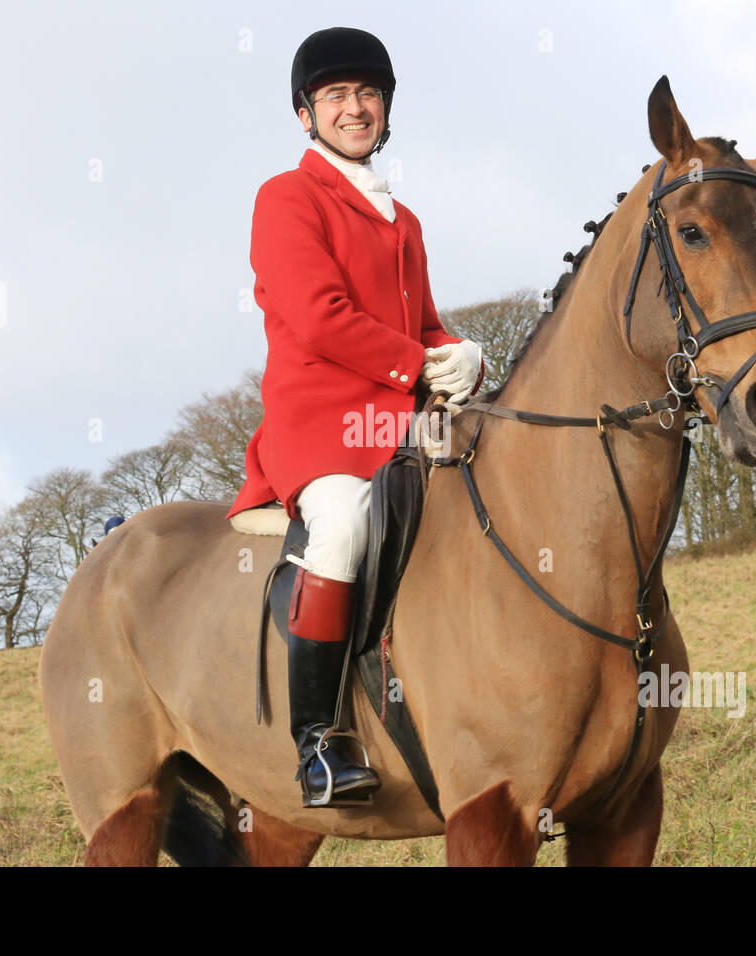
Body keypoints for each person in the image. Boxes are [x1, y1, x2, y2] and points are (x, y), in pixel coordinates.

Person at [224, 27, 485, 807]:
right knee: (342, 522)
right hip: (323, 421)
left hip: (402, 417)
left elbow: (426, 322)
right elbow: (318, 316)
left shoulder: (402, 221)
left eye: (367, 93)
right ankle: (320, 744)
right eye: (335, 95)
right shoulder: (285, 196)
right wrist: (414, 365)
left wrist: (461, 354)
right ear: (306, 114)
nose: (354, 107)